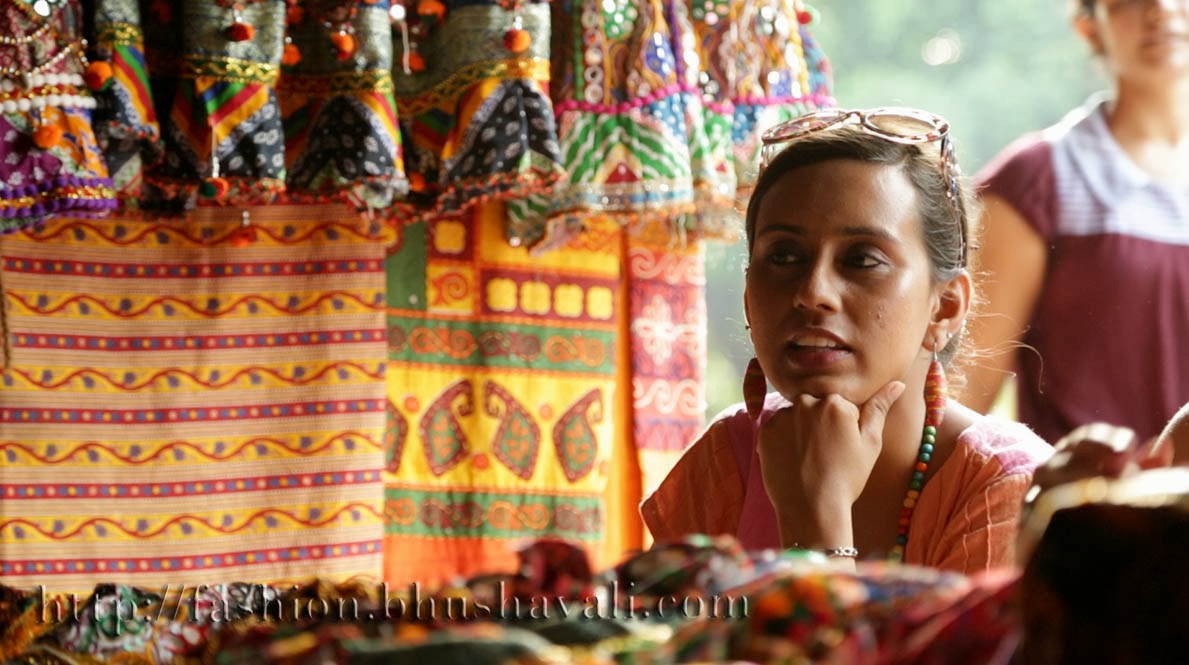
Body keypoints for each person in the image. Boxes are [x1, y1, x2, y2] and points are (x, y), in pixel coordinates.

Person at [640, 108, 1053, 573]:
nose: (813, 292)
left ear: (945, 307)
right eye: (784, 256)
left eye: (862, 260)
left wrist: (819, 522)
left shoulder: (1015, 493)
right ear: (748, 299)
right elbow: (664, 642)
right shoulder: (725, 460)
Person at [966, 0, 1189, 444]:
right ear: (1089, 27)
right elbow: (966, 391)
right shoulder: (1039, 180)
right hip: (1081, 505)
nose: (1162, 10)